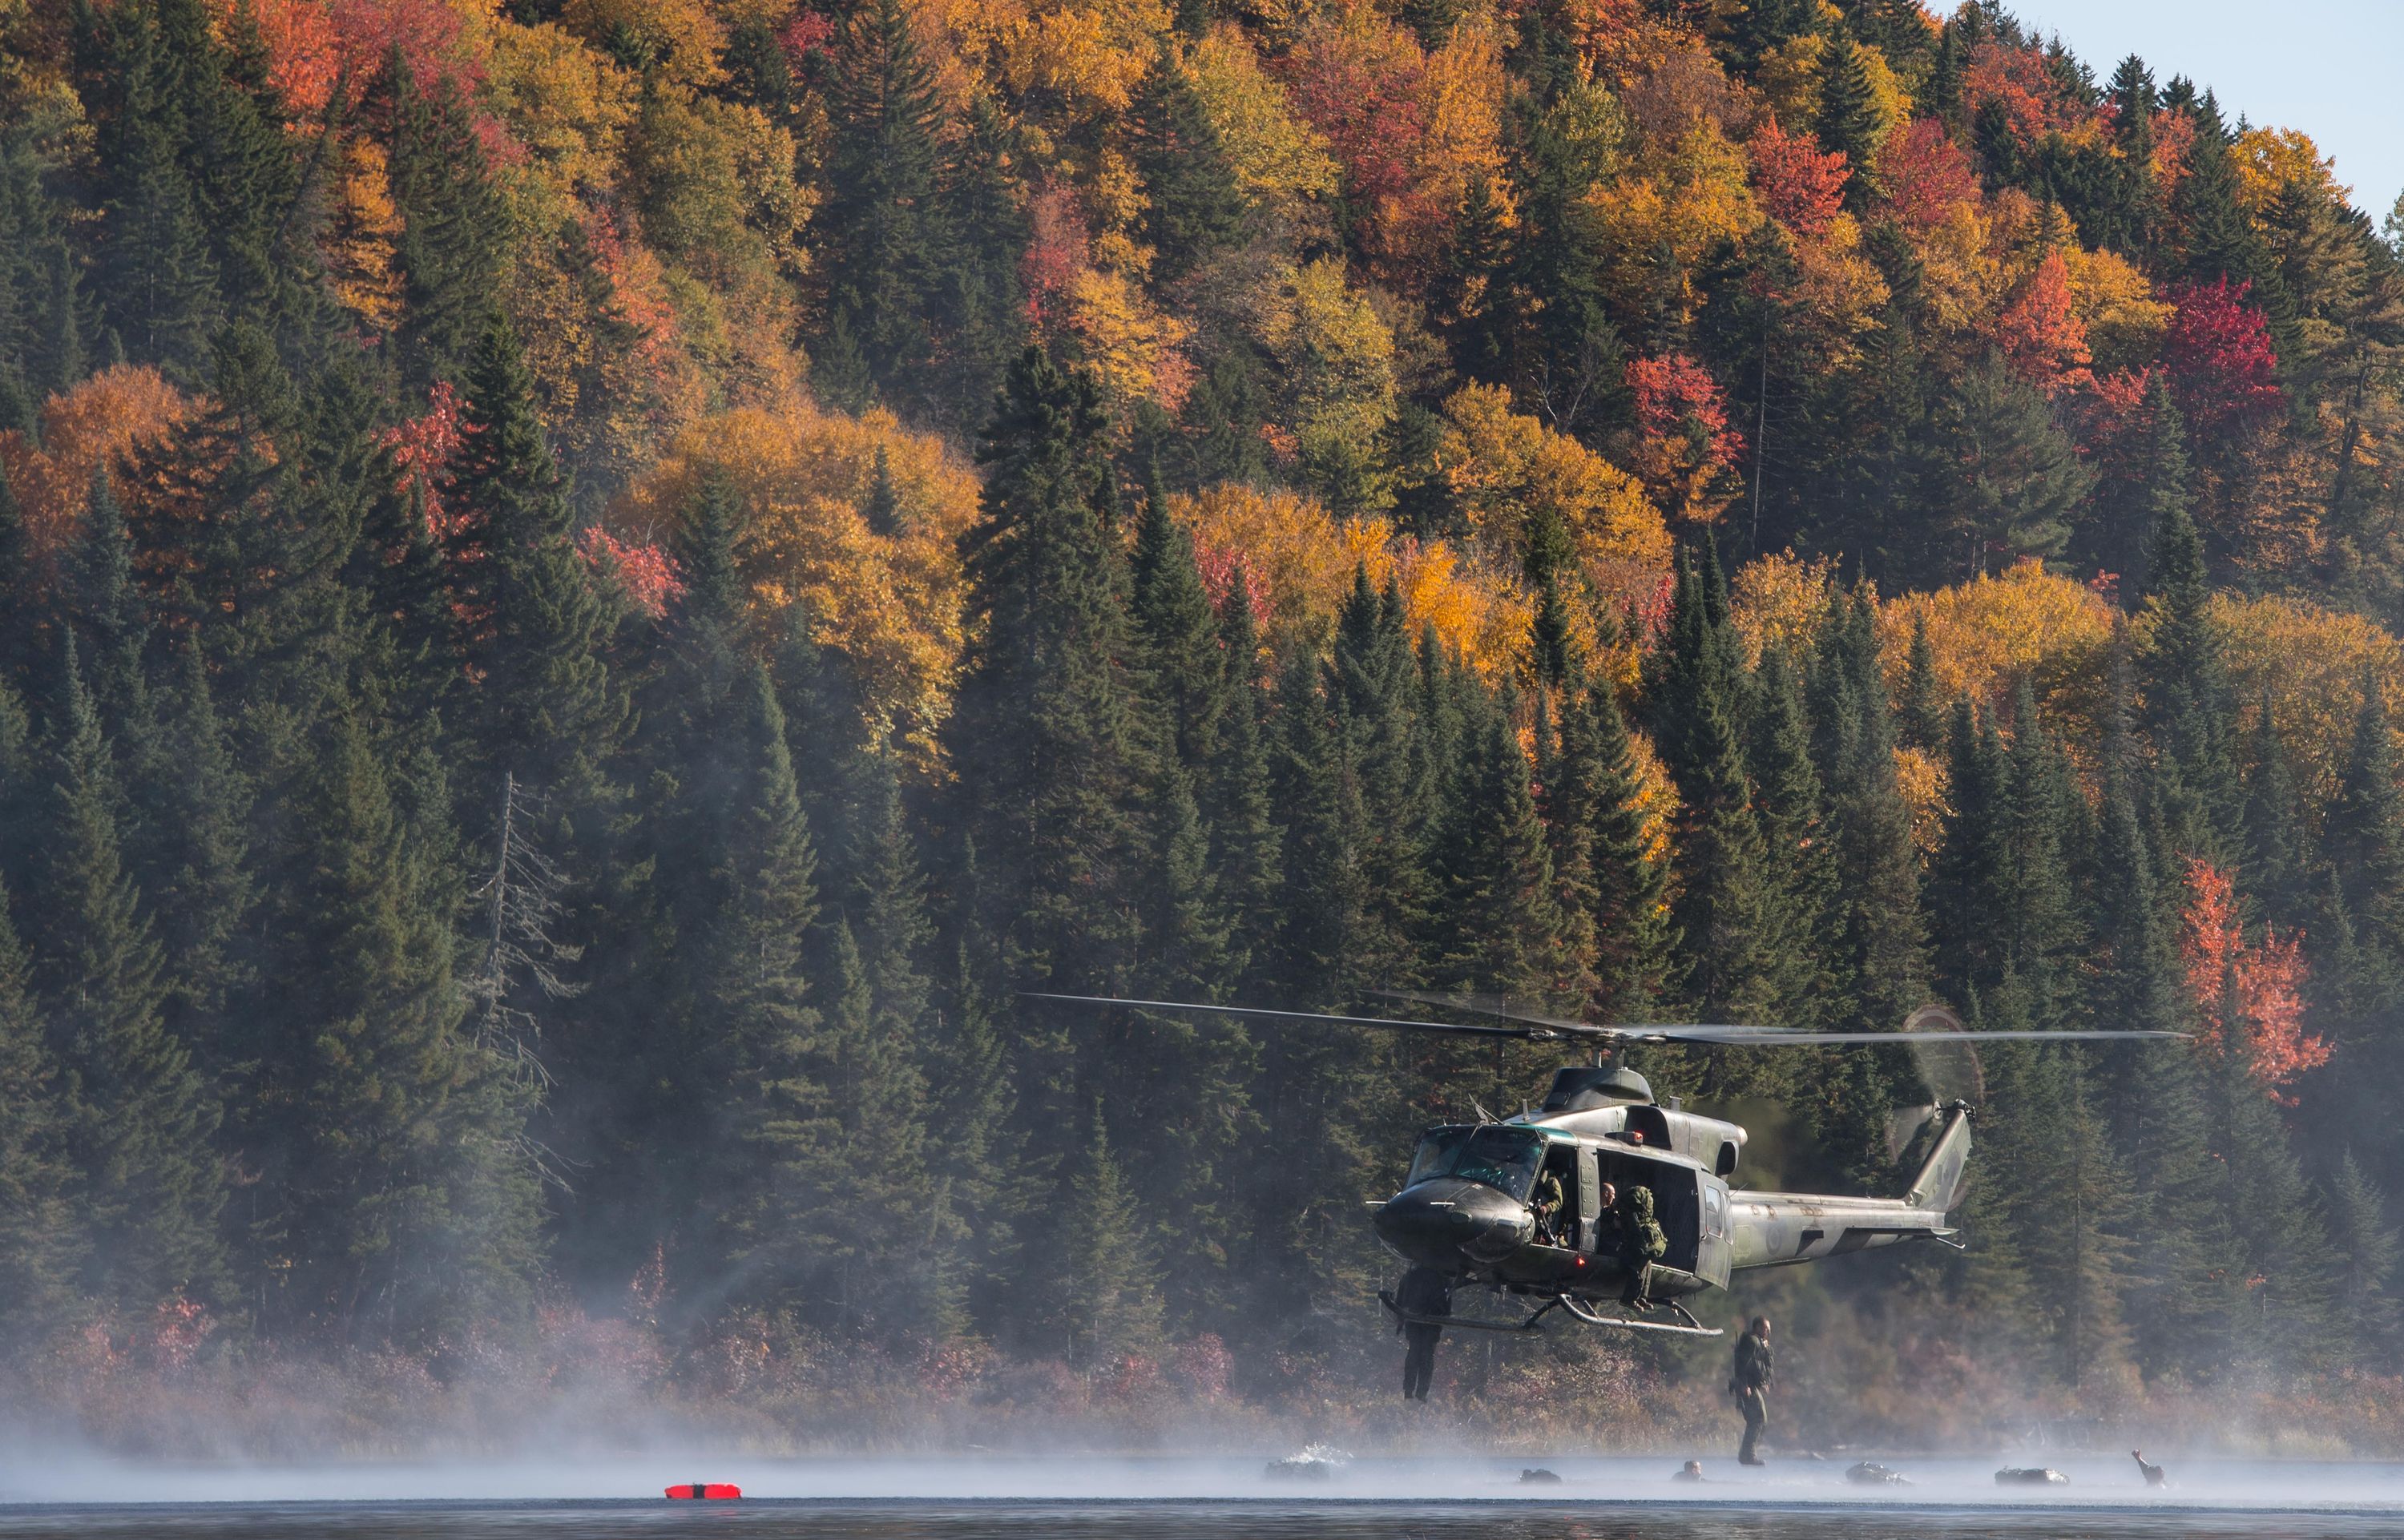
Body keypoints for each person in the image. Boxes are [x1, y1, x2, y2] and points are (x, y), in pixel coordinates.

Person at [1396, 1265, 1451, 1401]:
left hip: (1429, 1319)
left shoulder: (1415, 1275)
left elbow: (1401, 1298)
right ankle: (1413, 1391)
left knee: (1421, 1354)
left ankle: (1417, 1392)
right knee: (1419, 1353)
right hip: (1420, 1319)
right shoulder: (1437, 1277)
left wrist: (1400, 1317)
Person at [1730, 1316, 1773, 1465]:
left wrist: (1762, 1382)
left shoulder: (1758, 1342)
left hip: (1752, 1385)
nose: (1767, 1331)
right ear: (1757, 1327)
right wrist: (1744, 1384)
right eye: (1765, 1328)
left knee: (1758, 1420)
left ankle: (1747, 1455)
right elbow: (1743, 1364)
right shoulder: (1752, 1341)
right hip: (1747, 1386)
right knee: (1758, 1419)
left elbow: (1758, 1364)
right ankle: (1748, 1456)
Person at [1616, 1184, 1668, 1308]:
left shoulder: (1637, 1218)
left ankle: (1641, 1297)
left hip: (1631, 1249)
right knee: (1640, 1262)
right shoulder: (1630, 1217)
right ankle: (1629, 1299)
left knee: (1647, 1262)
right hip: (1623, 1251)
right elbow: (1634, 1235)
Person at [1531, 1167, 1566, 1244]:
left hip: (1542, 1220)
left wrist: (1546, 1208)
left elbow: (1558, 1202)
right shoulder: (1524, 1174)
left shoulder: (1550, 1180)